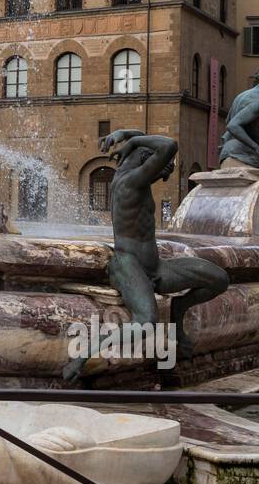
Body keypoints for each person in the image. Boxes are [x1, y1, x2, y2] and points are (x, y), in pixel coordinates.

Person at [65, 129, 228, 379]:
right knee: (146, 322)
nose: (164, 175)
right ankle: (83, 355)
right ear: (145, 160)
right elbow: (168, 145)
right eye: (163, 169)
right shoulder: (129, 181)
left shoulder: (136, 174)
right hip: (128, 264)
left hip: (155, 266)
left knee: (218, 278)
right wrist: (134, 141)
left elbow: (152, 143)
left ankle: (179, 308)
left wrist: (125, 134)